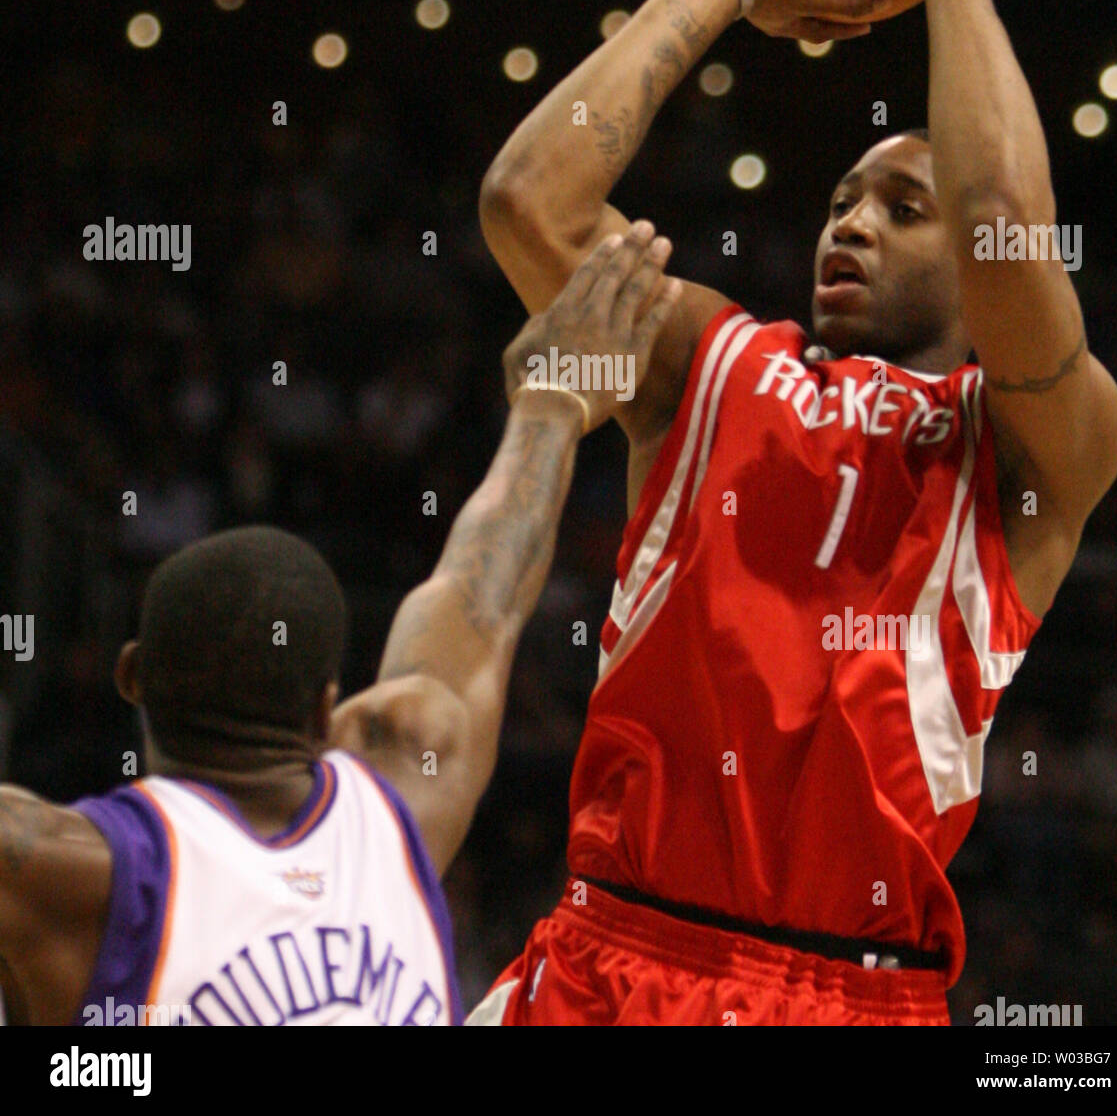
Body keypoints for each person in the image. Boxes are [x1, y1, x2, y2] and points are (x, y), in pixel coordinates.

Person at [472, 0, 1117, 1026]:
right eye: (840, 202)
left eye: (899, 206)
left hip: (849, 990)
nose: (852, 225)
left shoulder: (1042, 444)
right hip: (610, 948)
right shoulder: (708, 368)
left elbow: (1001, 213)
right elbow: (526, 203)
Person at [0, 228, 680, 1026]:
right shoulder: (406, 796)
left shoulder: (62, 868)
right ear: (328, 705)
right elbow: (482, 595)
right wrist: (552, 406)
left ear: (132, 675)